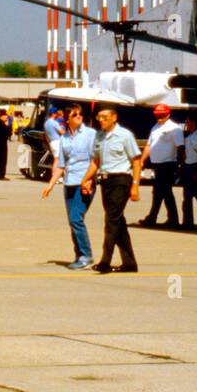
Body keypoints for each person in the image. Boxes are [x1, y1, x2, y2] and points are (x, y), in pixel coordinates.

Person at [80, 106, 142, 273]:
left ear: (114, 118)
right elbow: (96, 162)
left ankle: (105, 262)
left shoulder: (125, 135)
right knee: (118, 222)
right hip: (106, 181)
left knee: (111, 221)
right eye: (99, 117)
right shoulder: (99, 136)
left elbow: (137, 161)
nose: (101, 120)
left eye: (105, 117)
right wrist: (85, 179)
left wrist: (135, 185)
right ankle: (130, 263)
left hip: (122, 180)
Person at [41, 105, 96, 269]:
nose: (79, 117)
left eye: (80, 114)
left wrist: (90, 180)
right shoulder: (64, 138)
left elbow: (96, 160)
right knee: (73, 221)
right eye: (75, 115)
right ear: (67, 119)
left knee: (76, 219)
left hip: (84, 182)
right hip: (69, 182)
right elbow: (61, 164)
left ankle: (86, 255)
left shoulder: (90, 134)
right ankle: (79, 254)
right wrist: (50, 184)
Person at [137, 104, 183, 228]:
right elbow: (148, 145)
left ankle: (154, 218)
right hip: (157, 164)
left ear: (168, 114)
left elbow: (180, 147)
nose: (159, 117)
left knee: (161, 192)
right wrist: (142, 160)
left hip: (168, 164)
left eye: (161, 115)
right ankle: (171, 219)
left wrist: (179, 165)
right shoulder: (155, 127)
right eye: (157, 115)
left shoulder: (175, 128)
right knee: (163, 192)